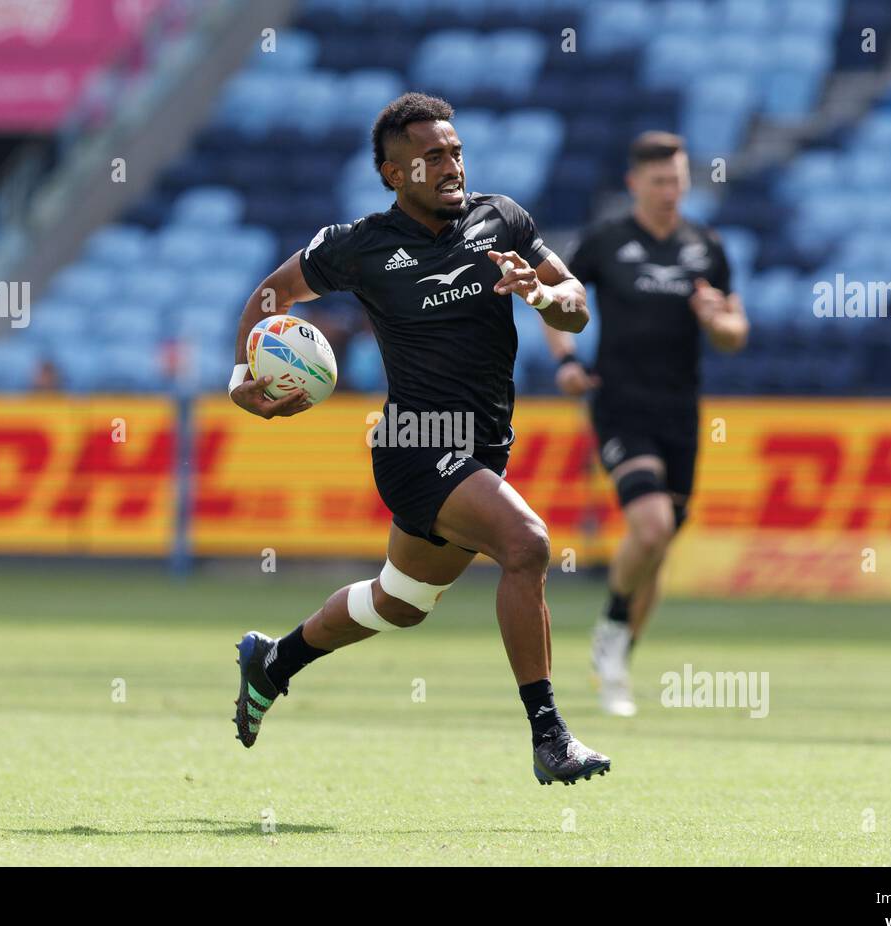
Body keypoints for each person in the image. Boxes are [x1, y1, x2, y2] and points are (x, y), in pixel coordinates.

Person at [226, 93, 610, 785]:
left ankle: (272, 661)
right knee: (527, 546)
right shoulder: (358, 245)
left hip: (484, 445)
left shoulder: (505, 220)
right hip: (415, 441)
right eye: (432, 157)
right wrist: (239, 378)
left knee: (399, 602)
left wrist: (544, 297)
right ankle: (549, 736)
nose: (451, 165)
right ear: (393, 173)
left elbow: (576, 306)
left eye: (456, 151)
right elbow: (269, 296)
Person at [542, 132, 748, 716]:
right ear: (635, 184)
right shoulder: (606, 241)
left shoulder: (705, 246)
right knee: (652, 526)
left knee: (656, 549)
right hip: (619, 404)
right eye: (659, 182)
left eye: (677, 181)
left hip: (680, 412)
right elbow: (556, 302)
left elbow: (736, 334)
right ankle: (611, 631)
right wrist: (565, 361)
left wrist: (716, 321)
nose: (669, 192)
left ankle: (617, 662)